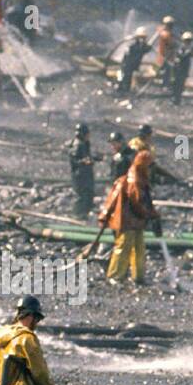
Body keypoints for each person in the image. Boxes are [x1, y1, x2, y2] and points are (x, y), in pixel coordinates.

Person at [99, 147, 159, 285]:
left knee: (139, 248)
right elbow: (137, 201)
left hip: (136, 221)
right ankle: (115, 275)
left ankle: (138, 276)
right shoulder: (134, 180)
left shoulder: (141, 178)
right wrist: (149, 215)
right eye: (149, 165)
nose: (151, 169)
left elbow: (145, 202)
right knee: (123, 247)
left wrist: (152, 215)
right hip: (127, 220)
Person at [66, 122, 99, 219]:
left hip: (85, 174)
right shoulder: (77, 145)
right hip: (80, 175)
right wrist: (85, 162)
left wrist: (93, 158)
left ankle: (84, 214)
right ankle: (78, 215)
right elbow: (75, 161)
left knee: (88, 194)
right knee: (81, 195)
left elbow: (86, 157)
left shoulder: (84, 144)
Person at [117, 28, 150, 94]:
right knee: (122, 75)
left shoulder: (142, 46)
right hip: (127, 63)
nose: (141, 39)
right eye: (140, 37)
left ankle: (125, 90)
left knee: (127, 77)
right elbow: (127, 55)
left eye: (143, 38)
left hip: (132, 64)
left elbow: (147, 48)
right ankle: (120, 89)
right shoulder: (133, 45)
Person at [170, 31, 193, 104]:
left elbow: (191, 55)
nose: (187, 42)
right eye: (186, 40)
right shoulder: (181, 47)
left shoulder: (191, 48)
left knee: (181, 84)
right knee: (176, 83)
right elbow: (180, 56)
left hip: (184, 69)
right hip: (178, 68)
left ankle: (177, 99)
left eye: (189, 40)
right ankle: (175, 98)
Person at [154, 16, 176, 88]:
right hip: (164, 56)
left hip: (166, 56)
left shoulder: (167, 33)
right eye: (169, 24)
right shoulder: (165, 33)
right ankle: (164, 86)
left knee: (166, 72)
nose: (170, 26)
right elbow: (170, 45)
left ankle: (164, 86)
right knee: (165, 72)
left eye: (171, 24)